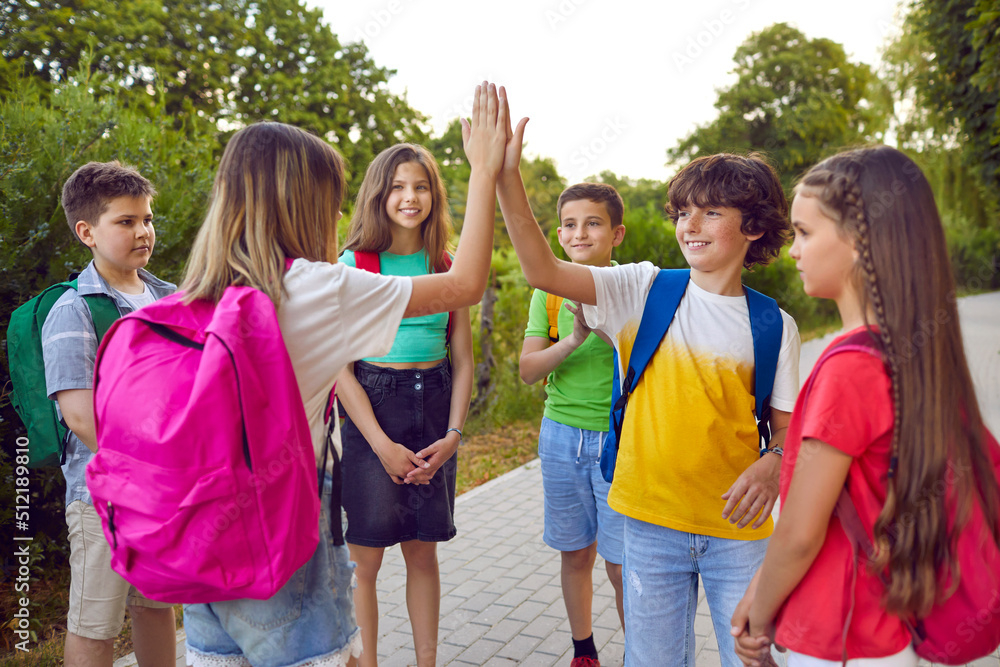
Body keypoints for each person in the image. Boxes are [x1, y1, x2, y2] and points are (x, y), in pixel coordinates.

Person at [178, 82, 507, 667]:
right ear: (297, 203)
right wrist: (483, 170)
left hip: (202, 541)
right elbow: (464, 287)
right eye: (328, 199)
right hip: (280, 532)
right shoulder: (316, 288)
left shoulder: (187, 298)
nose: (336, 214)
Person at [495, 101, 800, 666]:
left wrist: (774, 462)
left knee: (755, 659)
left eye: (711, 213)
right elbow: (542, 269)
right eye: (683, 212)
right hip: (650, 524)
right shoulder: (640, 288)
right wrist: (505, 177)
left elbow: (785, 429)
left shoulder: (774, 325)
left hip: (739, 532)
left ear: (753, 227)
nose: (689, 224)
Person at [731, 146, 1000, 666]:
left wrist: (756, 617)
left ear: (859, 240)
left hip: (836, 634)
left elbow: (800, 533)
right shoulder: (915, 351)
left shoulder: (850, 368)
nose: (793, 251)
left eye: (806, 233)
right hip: (889, 627)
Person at [335, 142, 474, 667]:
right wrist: (382, 445)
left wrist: (454, 435)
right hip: (374, 411)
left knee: (423, 552)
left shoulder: (448, 264)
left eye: (420, 186)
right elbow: (339, 368)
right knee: (364, 560)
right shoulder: (354, 265)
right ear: (379, 194)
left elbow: (462, 359)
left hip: (435, 412)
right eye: (397, 186)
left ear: (434, 195)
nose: (409, 197)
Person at [41, 160, 178, 667]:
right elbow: (80, 416)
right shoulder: (74, 309)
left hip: (164, 490)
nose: (143, 231)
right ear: (87, 232)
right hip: (104, 496)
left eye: (147, 219)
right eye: (125, 221)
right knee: (95, 623)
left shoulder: (170, 298)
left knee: (155, 606)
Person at [518, 182, 627, 666]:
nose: (579, 232)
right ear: (559, 234)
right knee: (576, 554)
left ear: (616, 233)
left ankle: (642, 653)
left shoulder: (633, 287)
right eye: (569, 224)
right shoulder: (548, 292)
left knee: (622, 564)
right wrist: (575, 338)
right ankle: (584, 650)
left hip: (619, 441)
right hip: (560, 436)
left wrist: (607, 330)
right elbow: (528, 370)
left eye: (593, 222)